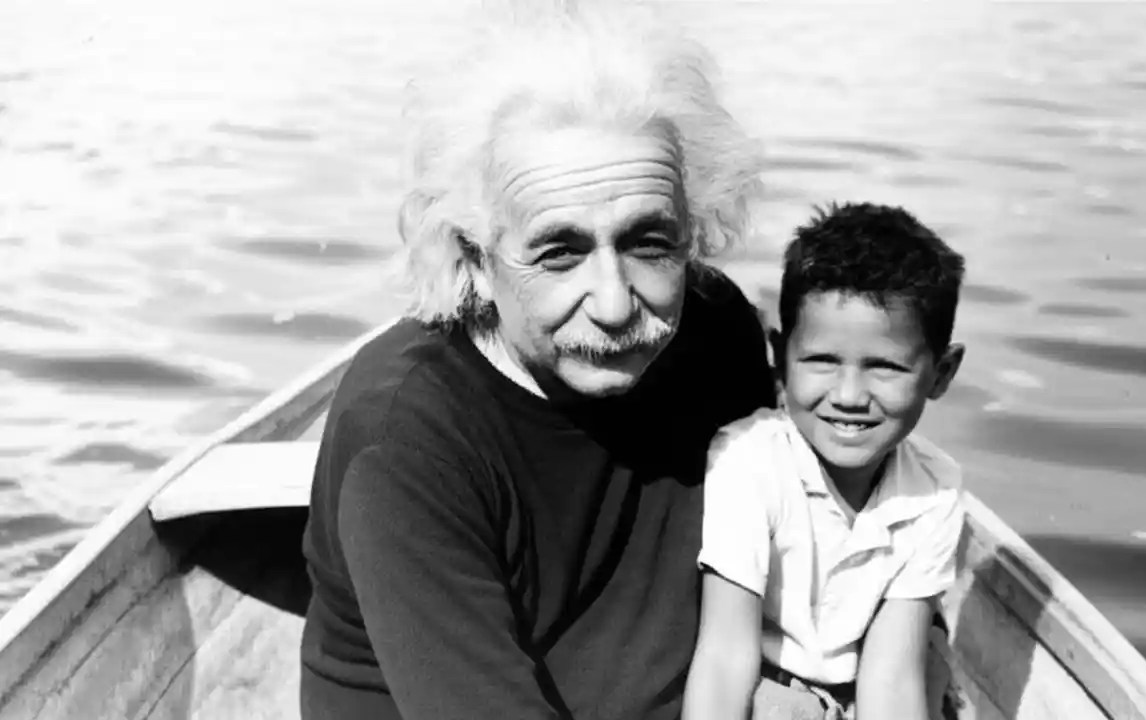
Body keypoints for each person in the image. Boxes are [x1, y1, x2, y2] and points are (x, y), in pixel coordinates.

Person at [298, 5, 776, 720]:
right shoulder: (406, 433)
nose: (614, 304)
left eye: (650, 242)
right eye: (560, 251)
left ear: (694, 230)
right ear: (475, 261)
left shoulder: (719, 334)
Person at [683, 202, 968, 720]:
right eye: (821, 361)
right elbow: (725, 656)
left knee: (930, 668)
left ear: (942, 373)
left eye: (884, 368)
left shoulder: (936, 489)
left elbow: (892, 674)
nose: (850, 396)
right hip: (765, 692)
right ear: (779, 355)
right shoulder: (747, 461)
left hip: (864, 689)